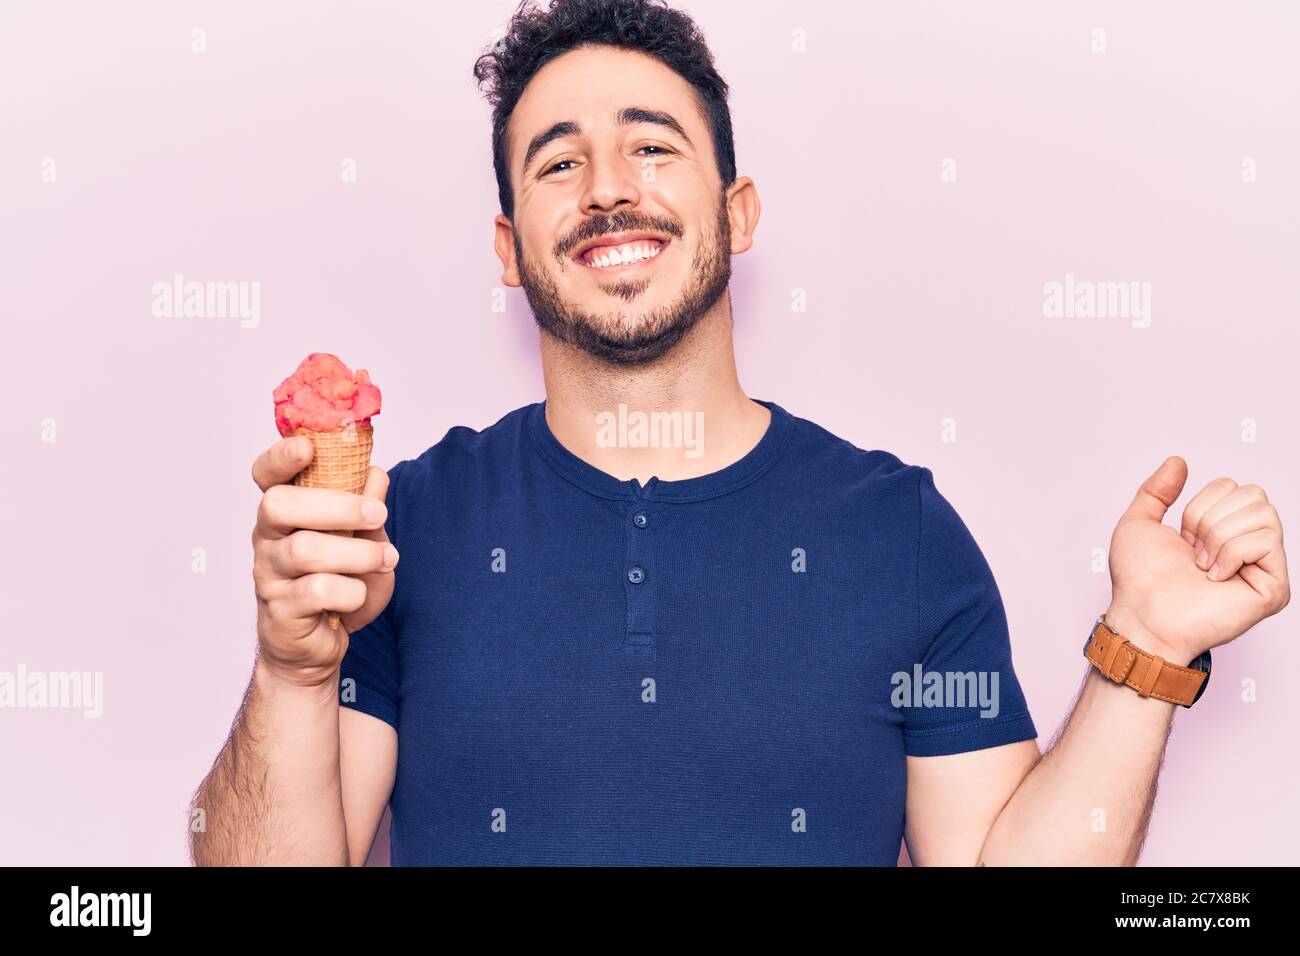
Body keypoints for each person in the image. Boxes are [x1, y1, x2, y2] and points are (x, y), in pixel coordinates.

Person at [189, 0, 1290, 866]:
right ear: (509, 243)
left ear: (738, 210)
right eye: (557, 162)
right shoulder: (399, 528)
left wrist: (1142, 650)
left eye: (653, 148)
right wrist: (292, 668)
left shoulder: (895, 531)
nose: (608, 191)